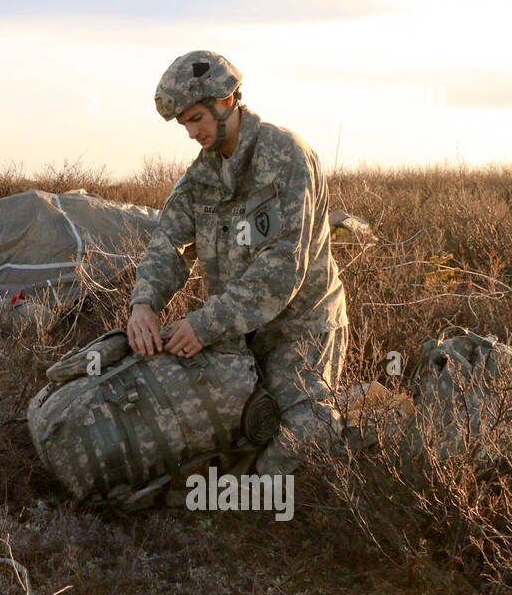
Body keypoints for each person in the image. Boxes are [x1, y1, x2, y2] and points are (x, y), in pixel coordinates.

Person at [127, 50, 349, 474]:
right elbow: (167, 243)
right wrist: (144, 304)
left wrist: (204, 325)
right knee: (192, 436)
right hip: (234, 333)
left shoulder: (286, 157)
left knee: (300, 443)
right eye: (185, 124)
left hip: (300, 329)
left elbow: (282, 268)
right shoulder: (201, 176)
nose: (192, 133)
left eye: (196, 119)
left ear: (226, 101)